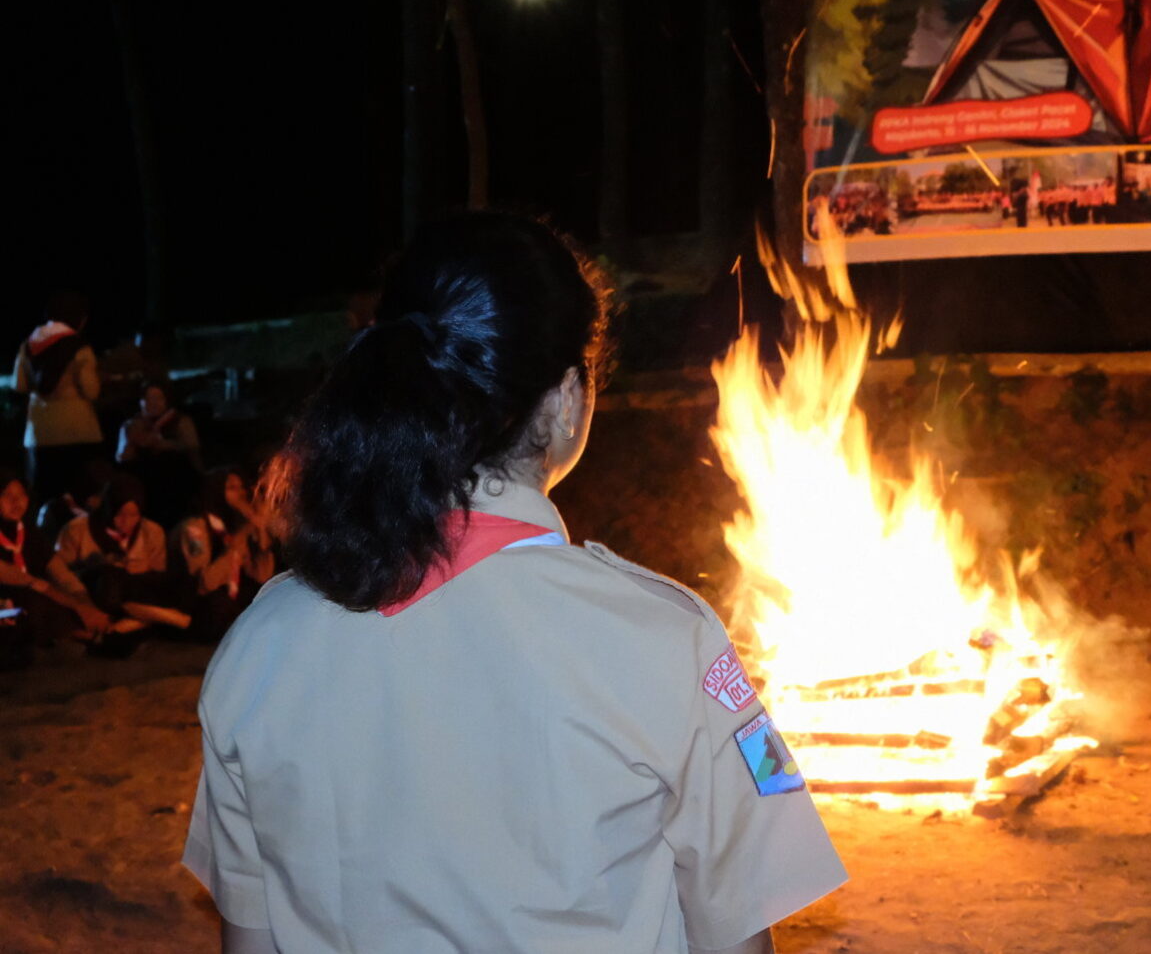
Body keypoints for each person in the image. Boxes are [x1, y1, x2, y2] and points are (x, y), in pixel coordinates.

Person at [182, 213, 846, 954]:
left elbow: (250, 940)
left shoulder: (259, 648)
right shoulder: (668, 641)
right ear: (565, 400)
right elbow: (738, 934)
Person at [47, 472, 192, 637]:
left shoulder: (151, 531)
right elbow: (60, 573)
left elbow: (161, 575)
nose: (126, 521)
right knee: (110, 579)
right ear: (108, 508)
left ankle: (117, 628)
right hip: (95, 595)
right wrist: (96, 565)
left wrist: (145, 568)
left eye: (134, 515)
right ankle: (159, 619)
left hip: (137, 593)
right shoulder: (77, 530)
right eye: (120, 514)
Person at [0, 468, 116, 645]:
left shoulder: (29, 532)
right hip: (8, 606)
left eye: (21, 494)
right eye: (7, 495)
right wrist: (78, 607)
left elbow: (61, 574)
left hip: (34, 600)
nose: (16, 501)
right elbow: (28, 581)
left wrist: (87, 607)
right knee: (33, 603)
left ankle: (91, 633)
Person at [13, 290, 105, 504]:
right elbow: (91, 391)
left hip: (39, 433)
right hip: (78, 432)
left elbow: (19, 385)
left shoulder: (28, 345)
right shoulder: (79, 346)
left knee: (45, 497)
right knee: (80, 497)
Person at [171, 467, 275, 641]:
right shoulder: (194, 529)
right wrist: (245, 531)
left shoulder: (234, 525)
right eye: (232, 488)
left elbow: (262, 576)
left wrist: (260, 530)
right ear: (216, 491)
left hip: (228, 599)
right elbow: (206, 583)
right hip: (198, 607)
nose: (241, 493)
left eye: (242, 487)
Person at [117, 380, 202, 527]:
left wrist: (166, 444)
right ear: (141, 401)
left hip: (175, 480)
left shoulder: (180, 421)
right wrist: (136, 440)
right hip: (144, 480)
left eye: (158, 398)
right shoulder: (131, 424)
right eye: (149, 399)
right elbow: (122, 457)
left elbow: (192, 448)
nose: (154, 403)